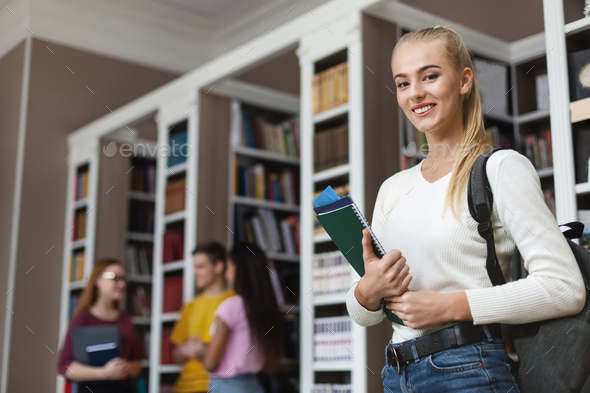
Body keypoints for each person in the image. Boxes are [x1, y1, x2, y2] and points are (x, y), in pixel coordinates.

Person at [346, 25, 586, 393]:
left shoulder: (500, 168)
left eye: (429, 76)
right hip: (395, 374)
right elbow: (364, 314)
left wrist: (450, 307)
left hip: (468, 371)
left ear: (463, 81)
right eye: (403, 83)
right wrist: (368, 289)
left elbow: (565, 288)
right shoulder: (392, 189)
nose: (416, 93)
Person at [195, 242, 283, 393]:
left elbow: (210, 364)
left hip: (226, 386)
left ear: (240, 270)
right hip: (254, 386)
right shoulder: (267, 309)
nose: (226, 273)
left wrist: (202, 350)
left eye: (229, 267)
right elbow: (271, 366)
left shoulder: (231, 306)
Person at [57, 258, 142, 393]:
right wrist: (104, 373)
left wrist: (127, 368)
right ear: (97, 280)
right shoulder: (82, 319)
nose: (121, 284)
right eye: (115, 278)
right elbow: (64, 366)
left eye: (124, 279)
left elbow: (137, 364)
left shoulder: (126, 320)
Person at [170, 241, 235, 393]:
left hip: (219, 383)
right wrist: (185, 350)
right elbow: (176, 355)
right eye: (194, 267)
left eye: (201, 267)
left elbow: (241, 352)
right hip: (184, 386)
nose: (195, 272)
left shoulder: (235, 301)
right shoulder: (190, 306)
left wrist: (207, 350)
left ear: (218, 267)